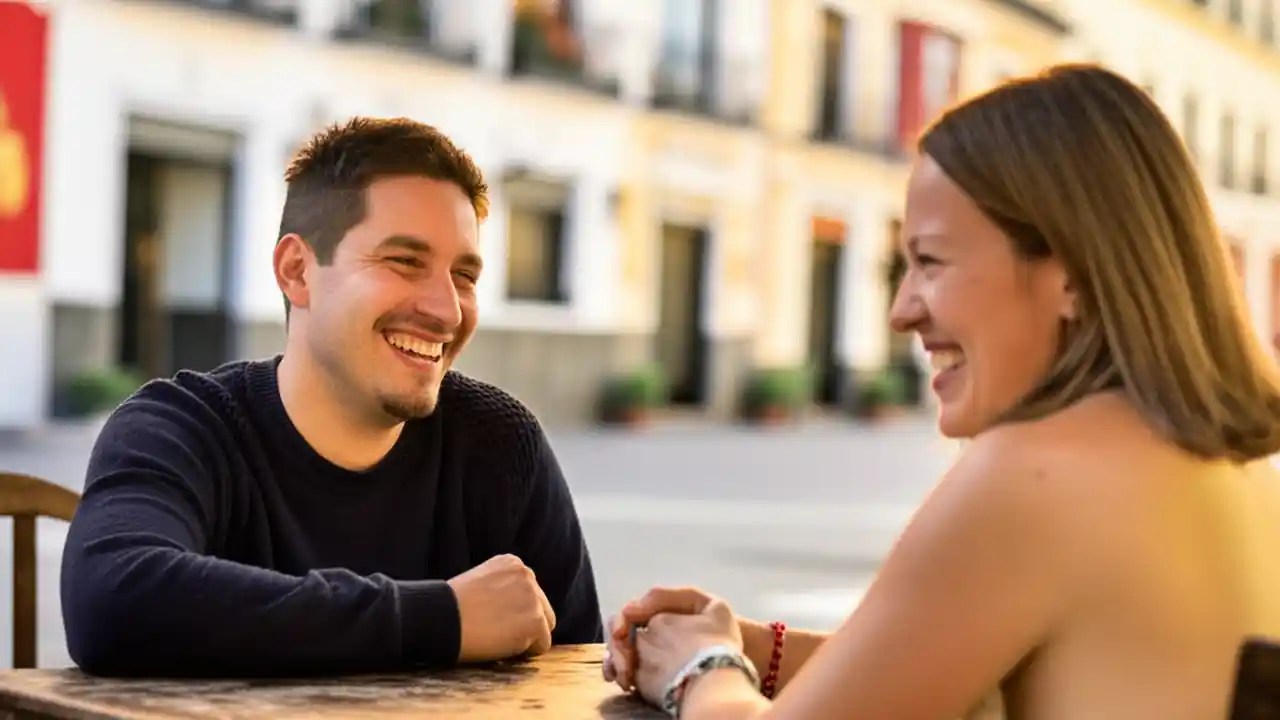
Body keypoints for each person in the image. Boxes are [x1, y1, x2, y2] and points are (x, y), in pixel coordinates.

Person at [602, 64, 1280, 719]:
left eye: (930, 261)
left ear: (1071, 274)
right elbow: (950, 669)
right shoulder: (1233, 471)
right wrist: (755, 648)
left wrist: (702, 672)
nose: (902, 311)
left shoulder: (1037, 476)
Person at [60, 117, 603, 677]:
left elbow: (580, 676)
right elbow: (114, 598)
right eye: (405, 262)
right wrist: (442, 618)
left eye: (463, 275)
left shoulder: (499, 443)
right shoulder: (183, 429)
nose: (447, 309)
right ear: (298, 272)